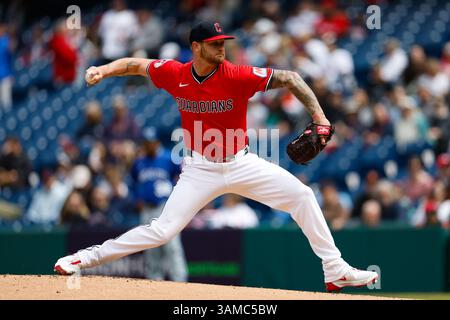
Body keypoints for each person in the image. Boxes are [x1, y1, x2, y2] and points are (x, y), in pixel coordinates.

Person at [54, 21, 378, 292]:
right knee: (162, 231)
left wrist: (320, 119)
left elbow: (291, 78)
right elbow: (135, 65)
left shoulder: (236, 75)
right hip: (199, 169)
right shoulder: (174, 73)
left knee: (303, 195)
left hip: (241, 163)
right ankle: (84, 258)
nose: (222, 47)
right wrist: (103, 69)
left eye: (223, 42)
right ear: (196, 47)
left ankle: (334, 268)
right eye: (214, 43)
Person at [130, 127, 188, 282]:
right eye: (146, 142)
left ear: (157, 142)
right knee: (151, 248)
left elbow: (183, 175)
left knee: (172, 247)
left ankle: (180, 282)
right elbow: (133, 183)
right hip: (147, 210)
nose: (148, 145)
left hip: (166, 208)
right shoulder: (139, 163)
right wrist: (137, 198)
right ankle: (154, 283)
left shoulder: (169, 158)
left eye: (151, 142)